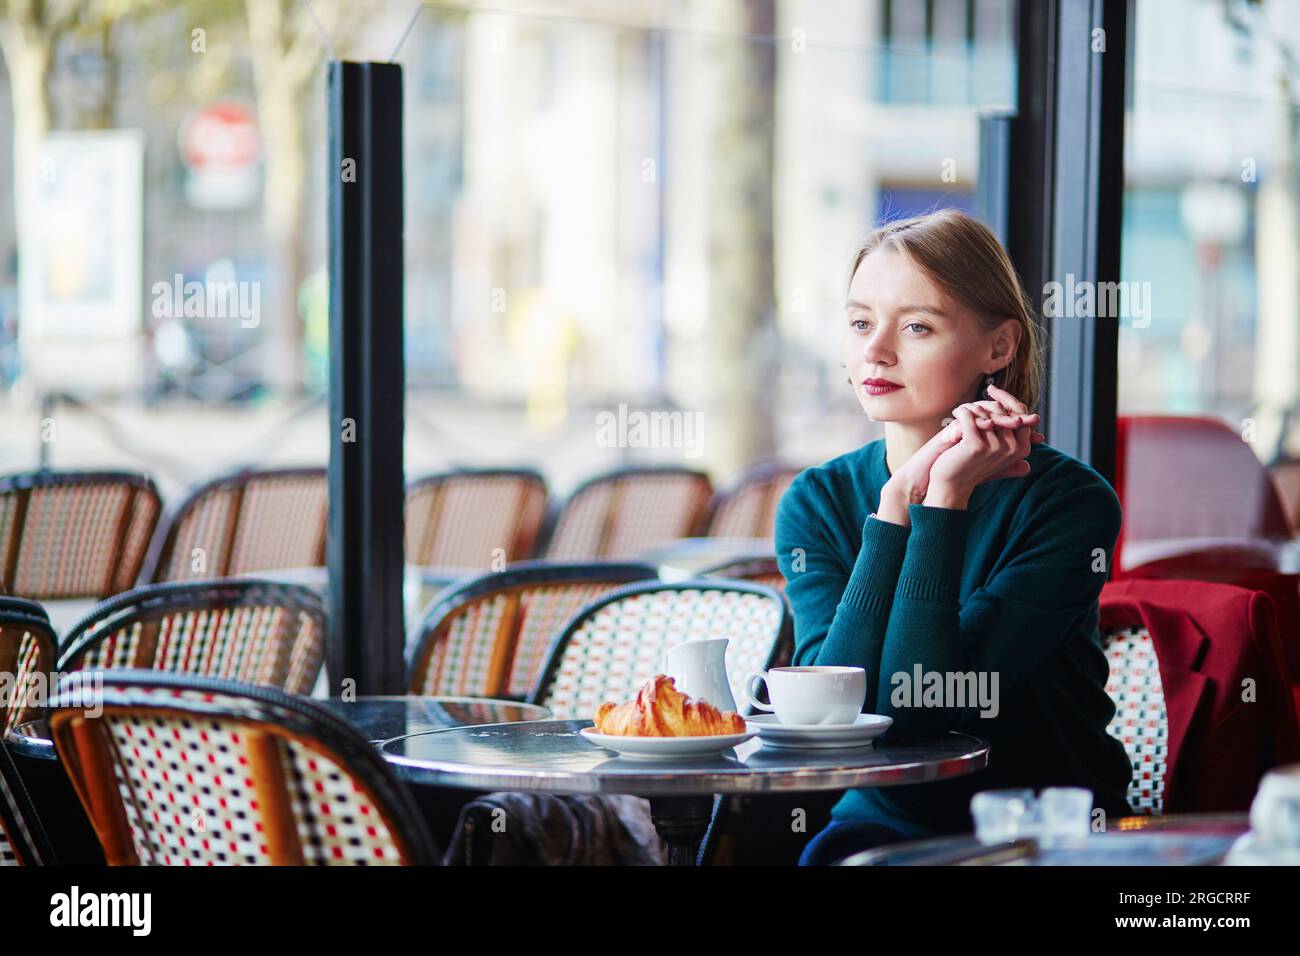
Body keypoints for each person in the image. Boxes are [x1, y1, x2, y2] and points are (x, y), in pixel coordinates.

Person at [775, 209, 1133, 866]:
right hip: (876, 822)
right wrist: (894, 508)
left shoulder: (1071, 504)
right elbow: (833, 714)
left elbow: (923, 709)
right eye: (860, 323)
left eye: (916, 327)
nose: (875, 351)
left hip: (1035, 829)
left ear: (999, 348)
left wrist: (944, 501)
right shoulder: (816, 501)